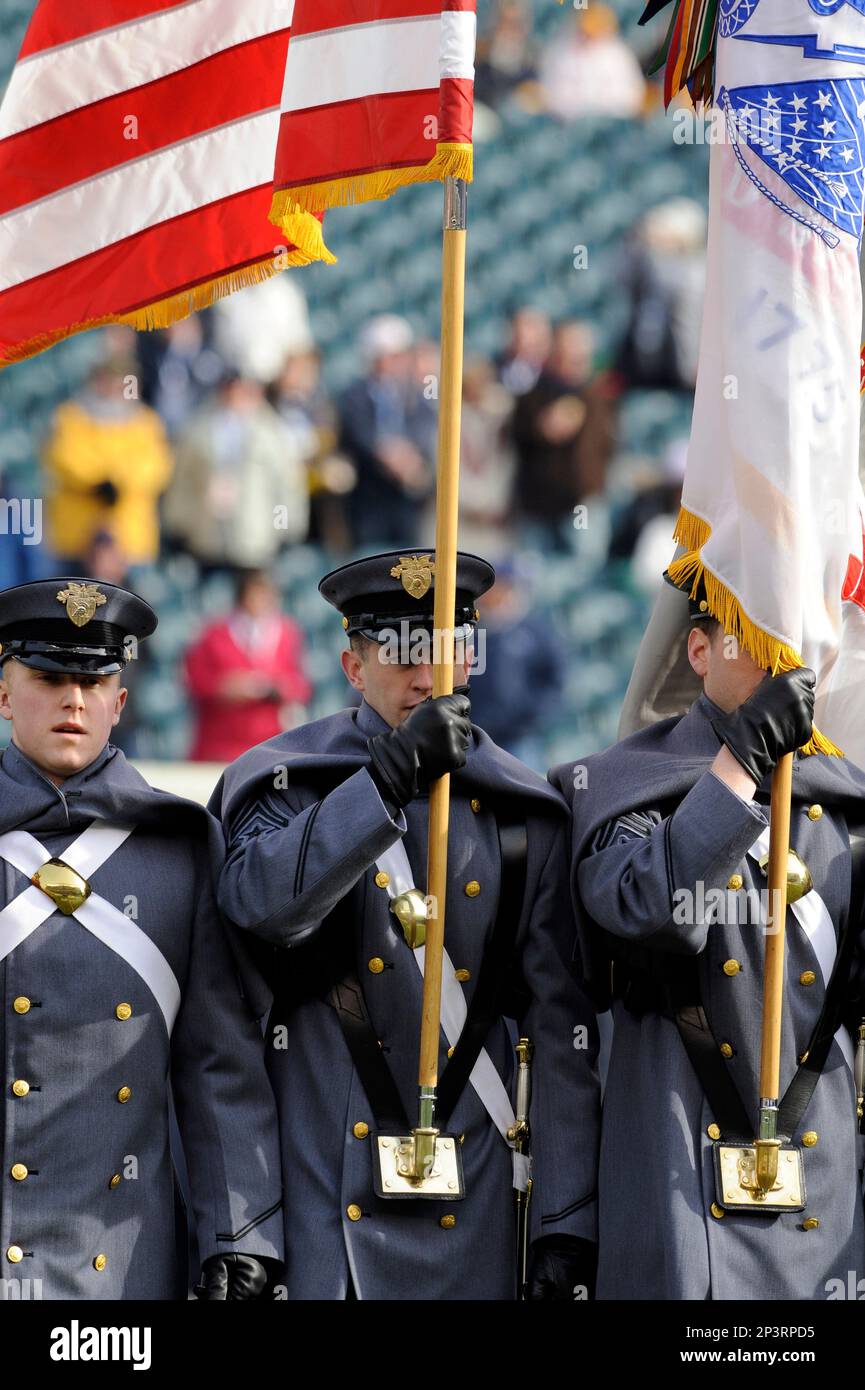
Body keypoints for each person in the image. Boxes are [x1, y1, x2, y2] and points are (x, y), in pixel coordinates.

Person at [211, 550, 600, 1300]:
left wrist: (564, 1220)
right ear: (354, 666)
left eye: (447, 650)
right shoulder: (281, 781)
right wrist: (382, 784)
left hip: (478, 1198)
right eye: (402, 654)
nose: (427, 677)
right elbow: (258, 907)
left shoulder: (524, 812)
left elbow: (558, 1034)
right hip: (325, 1192)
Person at [549, 576, 865, 1300]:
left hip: (822, 1199)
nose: (779, 660)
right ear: (698, 647)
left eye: (793, 642)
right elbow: (649, 911)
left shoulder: (845, 801)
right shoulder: (621, 782)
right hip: (680, 1187)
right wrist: (739, 769)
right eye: (754, 639)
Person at [0, 578, 283, 1300]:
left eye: (94, 682)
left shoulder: (180, 847)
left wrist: (237, 1235)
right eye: (48, 678)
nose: (74, 701)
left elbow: (217, 1064)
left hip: (121, 1260)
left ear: (120, 703)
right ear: (4, 694)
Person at [185, 569, 312, 763]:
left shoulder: (287, 634)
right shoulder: (214, 634)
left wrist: (275, 687)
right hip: (220, 745)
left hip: (268, 746)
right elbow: (195, 681)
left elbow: (301, 685)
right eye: (256, 594)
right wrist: (225, 688)